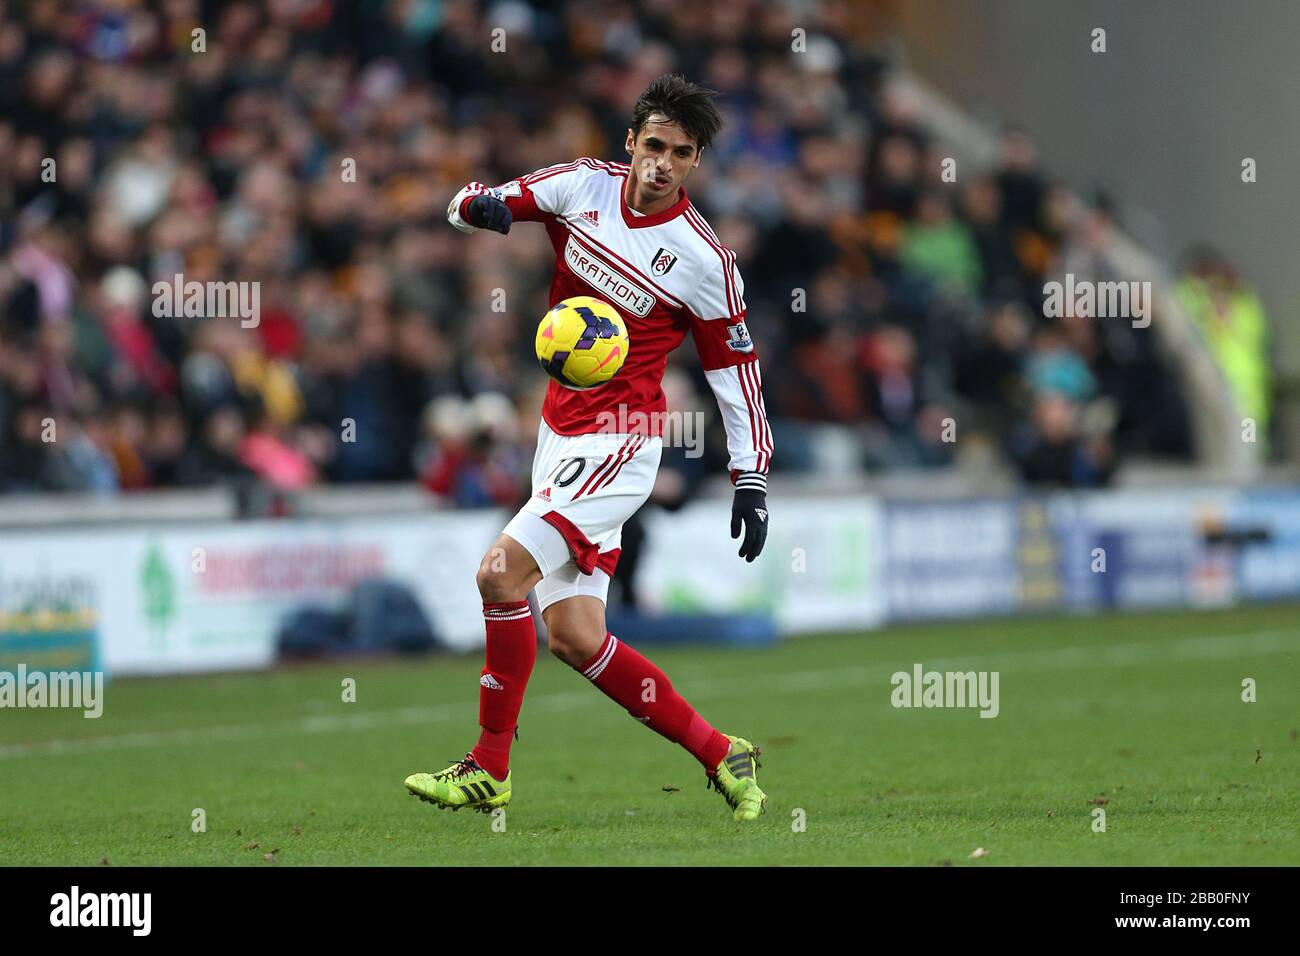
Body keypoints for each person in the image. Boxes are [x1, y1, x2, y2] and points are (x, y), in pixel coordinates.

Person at [403, 75, 774, 821]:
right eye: (656, 146)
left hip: (625, 440)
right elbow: (487, 198)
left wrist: (751, 475)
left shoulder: (704, 262)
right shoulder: (581, 188)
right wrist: (475, 209)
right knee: (574, 636)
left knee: (499, 575)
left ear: (695, 163)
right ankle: (718, 752)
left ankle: (489, 767)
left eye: (682, 153)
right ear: (631, 142)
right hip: (559, 433)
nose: (664, 164)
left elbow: (736, 373)